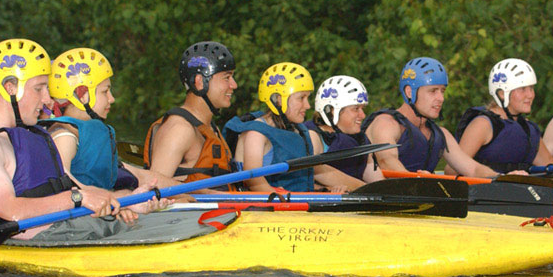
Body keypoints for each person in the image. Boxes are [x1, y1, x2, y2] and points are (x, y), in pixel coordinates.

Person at [0, 39, 149, 237]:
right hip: (48, 239)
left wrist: (121, 202)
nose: (47, 100)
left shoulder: (27, 135)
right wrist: (77, 198)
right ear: (10, 88)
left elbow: (74, 189)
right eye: (38, 88)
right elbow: (7, 210)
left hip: (69, 228)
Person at [43, 47, 176, 194]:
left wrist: (196, 192)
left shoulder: (84, 134)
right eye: (105, 91)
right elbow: (63, 188)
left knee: (182, 197)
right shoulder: (64, 137)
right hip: (86, 210)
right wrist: (121, 200)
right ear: (82, 96)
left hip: (105, 204)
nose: (112, 99)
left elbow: (143, 176)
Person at [225, 62, 365, 193]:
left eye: (308, 98)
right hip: (265, 214)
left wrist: (357, 188)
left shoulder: (300, 132)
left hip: (296, 211)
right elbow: (255, 182)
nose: (308, 105)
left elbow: (318, 172)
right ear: (279, 99)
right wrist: (288, 197)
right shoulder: (256, 134)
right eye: (301, 98)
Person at [362, 57, 514, 177]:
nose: (441, 98)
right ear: (409, 92)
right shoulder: (386, 123)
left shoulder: (441, 134)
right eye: (433, 91)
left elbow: (473, 169)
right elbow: (387, 161)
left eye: (442, 91)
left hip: (417, 200)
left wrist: (504, 178)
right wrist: (421, 184)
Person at [143, 41, 237, 182]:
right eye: (226, 78)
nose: (234, 85)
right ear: (200, 82)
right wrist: (209, 194)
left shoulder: (209, 127)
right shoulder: (180, 130)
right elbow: (153, 187)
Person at [454, 58, 553, 173]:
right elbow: (452, 170)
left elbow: (552, 166)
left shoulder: (528, 129)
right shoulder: (483, 125)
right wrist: (502, 177)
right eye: (523, 89)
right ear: (502, 93)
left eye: (531, 88)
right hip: (485, 189)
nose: (530, 95)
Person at [304, 75, 384, 183]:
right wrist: (359, 188)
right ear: (332, 111)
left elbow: (377, 183)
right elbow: (313, 172)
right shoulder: (313, 137)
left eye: (362, 109)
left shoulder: (360, 140)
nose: (363, 115)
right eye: (356, 109)